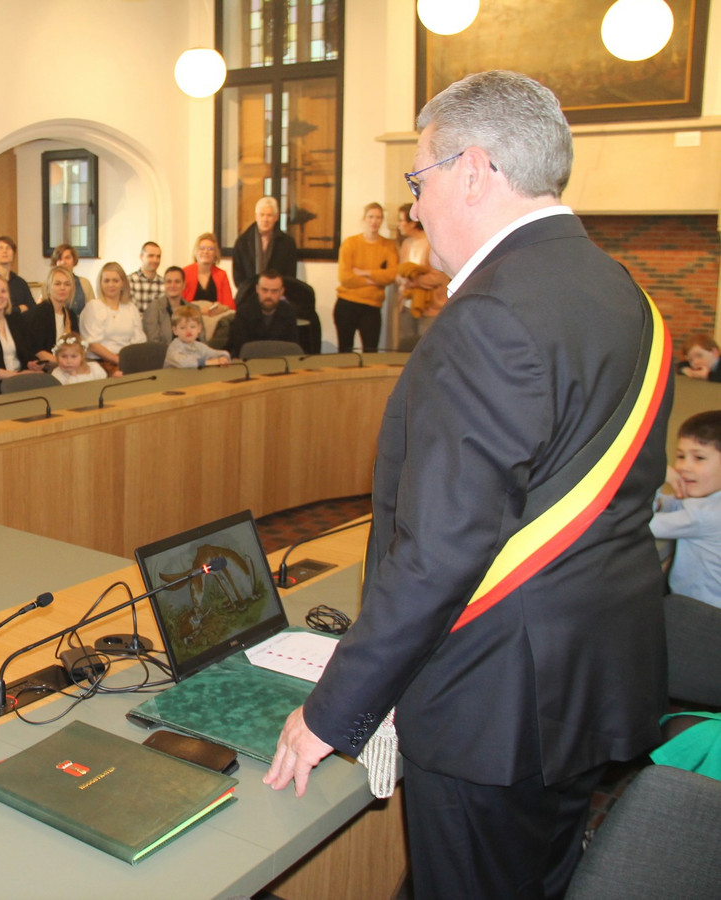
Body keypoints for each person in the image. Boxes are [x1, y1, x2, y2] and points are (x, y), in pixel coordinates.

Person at [265, 70, 672, 900]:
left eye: (419, 179)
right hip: (585, 679)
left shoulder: (491, 314)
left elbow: (441, 551)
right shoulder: (621, 290)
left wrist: (329, 712)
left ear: (475, 170)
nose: (413, 208)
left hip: (496, 697)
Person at [651, 410, 721, 609]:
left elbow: (643, 523)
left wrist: (655, 476)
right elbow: (668, 505)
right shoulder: (708, 502)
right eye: (680, 456)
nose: (684, 467)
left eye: (699, 458)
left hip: (702, 614)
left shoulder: (705, 514)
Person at [334, 202, 398, 353]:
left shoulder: (388, 246)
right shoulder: (350, 243)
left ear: (382, 220)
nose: (374, 221)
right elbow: (345, 277)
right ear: (364, 219)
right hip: (346, 304)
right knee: (345, 352)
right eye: (371, 217)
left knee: (370, 353)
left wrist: (364, 272)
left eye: (378, 217)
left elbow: (391, 275)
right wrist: (375, 279)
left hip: (372, 307)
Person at [395, 203, 449, 344]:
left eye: (401, 220)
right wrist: (402, 280)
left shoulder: (432, 242)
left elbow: (438, 276)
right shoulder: (406, 244)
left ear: (412, 223)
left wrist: (413, 282)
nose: (398, 224)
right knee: (405, 349)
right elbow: (401, 271)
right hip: (407, 305)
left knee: (426, 349)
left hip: (430, 308)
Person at [80, 261, 146, 374]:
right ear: (100, 283)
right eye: (106, 281)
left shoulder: (131, 308)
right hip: (99, 364)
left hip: (127, 361)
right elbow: (92, 344)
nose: (111, 285)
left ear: (123, 283)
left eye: (115, 280)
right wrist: (117, 360)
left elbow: (139, 341)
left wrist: (128, 361)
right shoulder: (93, 307)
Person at [227, 270, 299, 358]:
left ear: (282, 292)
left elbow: (291, 348)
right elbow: (240, 348)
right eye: (265, 290)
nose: (269, 296)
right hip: (250, 364)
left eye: (274, 291)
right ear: (257, 289)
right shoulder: (244, 311)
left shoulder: (289, 312)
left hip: (280, 363)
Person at [232, 197, 298, 292]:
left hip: (277, 297)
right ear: (256, 216)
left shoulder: (287, 243)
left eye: (269, 215)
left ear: (276, 217)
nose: (265, 219)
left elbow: (290, 275)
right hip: (249, 296)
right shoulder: (242, 242)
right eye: (262, 215)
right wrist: (251, 292)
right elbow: (238, 275)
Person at [22, 265, 80, 367]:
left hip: (66, 365)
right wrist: (64, 363)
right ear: (49, 288)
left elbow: (76, 347)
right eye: (57, 284)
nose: (62, 288)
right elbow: (38, 351)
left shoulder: (71, 316)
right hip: (45, 367)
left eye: (67, 284)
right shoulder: (39, 313)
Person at [143, 265, 202, 344]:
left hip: (193, 353)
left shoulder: (194, 309)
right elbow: (153, 340)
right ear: (164, 284)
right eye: (169, 282)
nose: (173, 285)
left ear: (184, 285)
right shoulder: (154, 308)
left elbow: (202, 340)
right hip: (163, 353)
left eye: (177, 282)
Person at [164, 305, 230, 369]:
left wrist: (223, 357)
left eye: (192, 327)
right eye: (183, 328)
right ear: (175, 330)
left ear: (199, 328)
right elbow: (183, 363)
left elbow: (214, 353)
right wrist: (208, 362)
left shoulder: (199, 346)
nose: (188, 331)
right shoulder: (174, 347)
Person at [182, 233, 234, 313]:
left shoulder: (221, 274)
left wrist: (222, 308)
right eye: (202, 248)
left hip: (215, 318)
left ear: (215, 253)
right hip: (190, 318)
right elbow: (179, 304)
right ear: (196, 252)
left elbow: (229, 305)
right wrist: (201, 311)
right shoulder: (185, 273)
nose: (206, 251)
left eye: (210, 249)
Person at [51, 243, 94, 319]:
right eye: (60, 259)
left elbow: (92, 311)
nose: (63, 262)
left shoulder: (85, 283)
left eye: (67, 258)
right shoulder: (49, 285)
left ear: (74, 261)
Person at [128, 242, 165, 316]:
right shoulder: (129, 281)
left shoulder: (164, 284)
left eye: (158, 257)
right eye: (151, 256)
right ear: (141, 257)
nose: (155, 260)